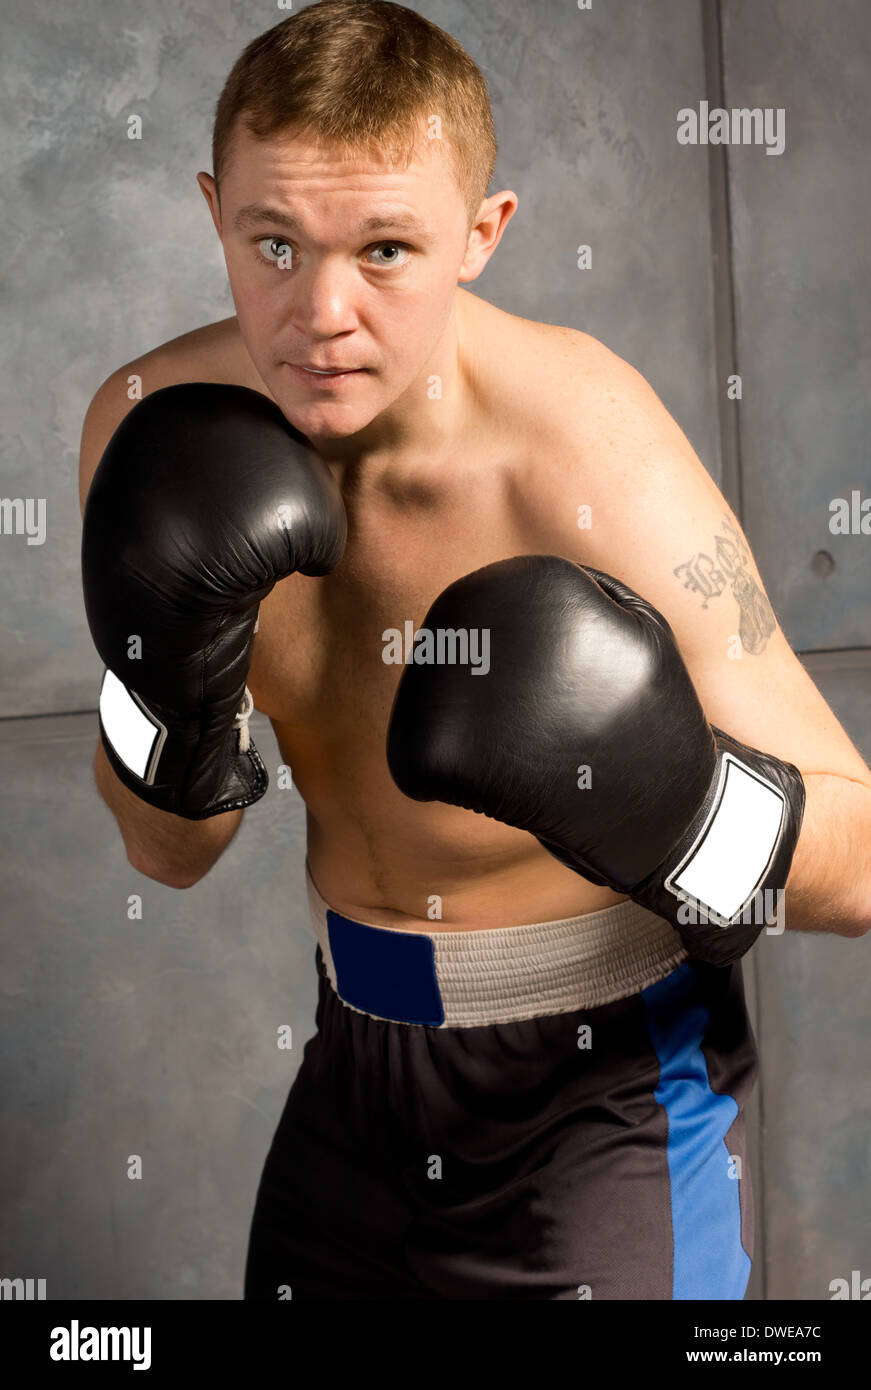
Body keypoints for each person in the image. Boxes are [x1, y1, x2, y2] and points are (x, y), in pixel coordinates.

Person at [78, 1, 870, 1300]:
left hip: (603, 1089)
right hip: (355, 1056)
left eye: (385, 249)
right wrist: (164, 690)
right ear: (213, 209)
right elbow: (164, 855)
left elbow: (863, 858)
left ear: (480, 236)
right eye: (272, 243)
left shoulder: (585, 447)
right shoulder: (145, 429)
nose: (321, 313)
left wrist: (682, 804)